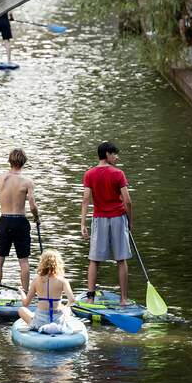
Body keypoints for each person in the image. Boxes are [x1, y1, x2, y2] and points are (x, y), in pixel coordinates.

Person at [81, 141, 132, 305]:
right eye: (114, 154)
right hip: (118, 218)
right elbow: (128, 201)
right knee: (121, 259)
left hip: (99, 219)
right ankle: (123, 299)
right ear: (107, 154)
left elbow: (85, 200)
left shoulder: (89, 174)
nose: (116, 157)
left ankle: (90, 298)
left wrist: (83, 223)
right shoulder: (118, 174)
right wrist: (130, 221)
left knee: (94, 259)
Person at [0, 148, 40, 299]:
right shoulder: (27, 182)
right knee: (24, 261)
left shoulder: (0, 178)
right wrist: (36, 217)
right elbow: (32, 206)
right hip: (20, 220)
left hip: (5, 220)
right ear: (24, 163)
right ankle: (25, 294)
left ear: (10, 161)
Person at [17, 249, 79, 334]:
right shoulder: (63, 281)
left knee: (21, 309)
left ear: (42, 263)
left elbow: (25, 304)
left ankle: (35, 326)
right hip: (57, 321)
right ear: (58, 263)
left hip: (39, 322)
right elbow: (72, 300)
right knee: (68, 310)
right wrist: (64, 307)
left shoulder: (36, 280)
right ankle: (63, 325)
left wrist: (21, 292)